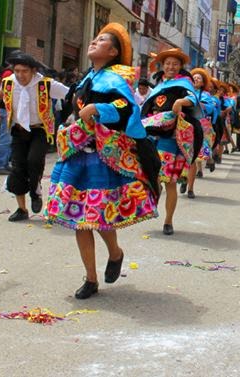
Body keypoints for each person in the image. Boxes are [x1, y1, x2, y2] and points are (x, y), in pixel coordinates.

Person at [47, 23, 160, 299]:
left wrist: (100, 108)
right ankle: (91, 278)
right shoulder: (86, 79)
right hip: (75, 156)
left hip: (101, 158)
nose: (93, 43)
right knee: (79, 221)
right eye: (94, 38)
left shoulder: (114, 81)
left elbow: (126, 108)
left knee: (98, 217)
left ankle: (115, 253)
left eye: (101, 41)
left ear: (113, 51)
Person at [0, 51, 70, 222]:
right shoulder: (8, 83)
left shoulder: (45, 84)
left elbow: (70, 94)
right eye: (17, 71)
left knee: (34, 161)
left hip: (40, 130)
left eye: (24, 71)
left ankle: (35, 191)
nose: (20, 75)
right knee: (18, 168)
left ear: (32, 71)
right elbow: (4, 101)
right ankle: (22, 208)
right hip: (18, 130)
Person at [141, 48, 201, 236]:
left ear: (180, 66)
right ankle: (152, 206)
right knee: (151, 178)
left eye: (175, 64)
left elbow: (192, 99)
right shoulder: (157, 84)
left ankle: (168, 221)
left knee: (169, 182)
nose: (171, 67)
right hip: (151, 137)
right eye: (167, 63)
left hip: (170, 138)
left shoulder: (184, 84)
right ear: (162, 65)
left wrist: (181, 102)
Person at [183, 67, 217, 199]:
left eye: (199, 78)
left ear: (203, 83)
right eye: (194, 78)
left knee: (193, 159)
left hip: (198, 128)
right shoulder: (184, 92)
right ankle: (184, 180)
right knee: (182, 157)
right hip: (183, 127)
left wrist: (198, 104)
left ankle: (190, 188)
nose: (196, 79)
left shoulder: (205, 95)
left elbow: (209, 108)